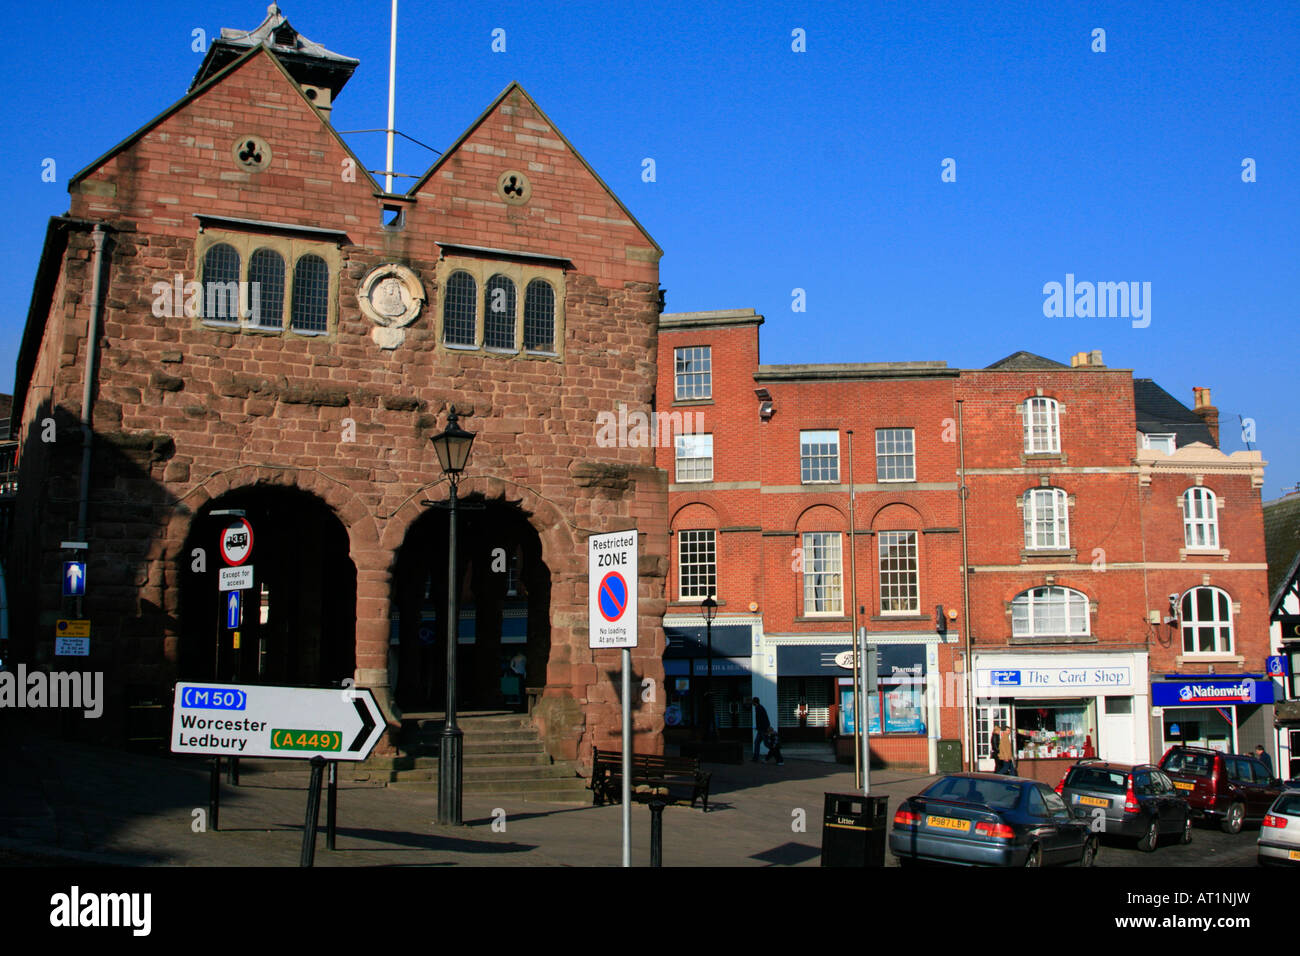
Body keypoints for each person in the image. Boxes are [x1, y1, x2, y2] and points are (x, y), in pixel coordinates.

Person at [752, 697, 772, 763]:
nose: (752, 703)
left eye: (753, 702)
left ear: (755, 702)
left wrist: (761, 727)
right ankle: (755, 758)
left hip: (763, 729)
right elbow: (764, 718)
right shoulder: (760, 707)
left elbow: (761, 719)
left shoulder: (758, 708)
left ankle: (775, 752)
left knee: (766, 743)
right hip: (762, 729)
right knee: (757, 742)